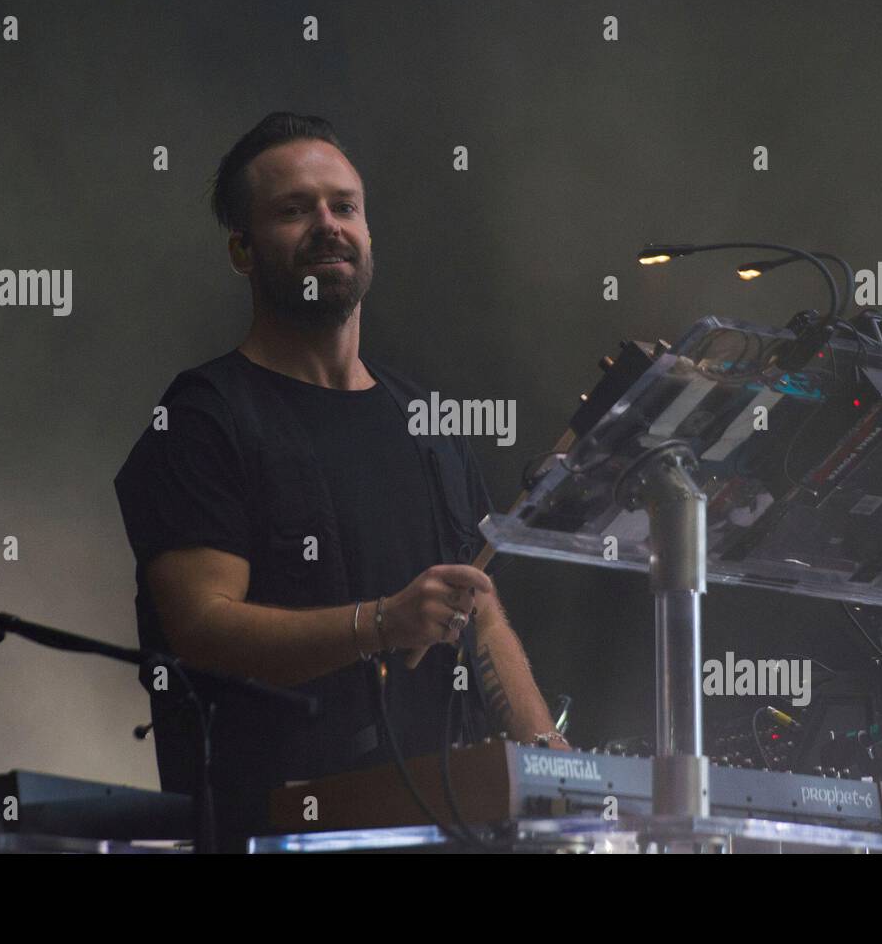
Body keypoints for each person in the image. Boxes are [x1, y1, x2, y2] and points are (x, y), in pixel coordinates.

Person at [114, 112, 567, 848]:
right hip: (275, 831)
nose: (327, 225)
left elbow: (479, 609)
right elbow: (201, 627)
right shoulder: (204, 419)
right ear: (241, 250)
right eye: (294, 210)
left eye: (344, 206)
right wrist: (381, 622)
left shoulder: (425, 420)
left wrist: (552, 768)